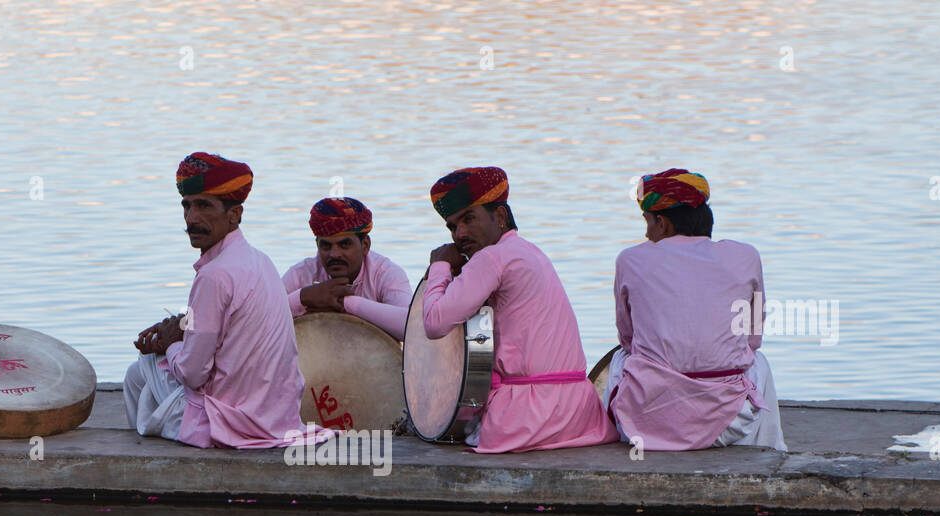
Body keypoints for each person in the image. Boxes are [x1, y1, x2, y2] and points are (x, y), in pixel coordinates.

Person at [421, 166, 619, 453]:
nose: (459, 234)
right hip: (578, 415)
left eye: (468, 219)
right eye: (452, 226)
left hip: (525, 421)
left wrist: (439, 265)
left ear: (499, 216)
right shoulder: (530, 252)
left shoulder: (491, 258)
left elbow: (433, 323)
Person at [123, 152, 314, 449]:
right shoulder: (260, 260)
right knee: (154, 371)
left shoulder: (214, 275)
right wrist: (180, 327)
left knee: (141, 368)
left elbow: (193, 374)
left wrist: (170, 343)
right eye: (186, 206)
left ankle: (156, 458)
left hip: (233, 422)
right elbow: (229, 325)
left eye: (204, 206)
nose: (192, 218)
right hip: (279, 419)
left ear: (234, 214)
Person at [604, 168, 787, 451]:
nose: (646, 232)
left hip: (646, 424)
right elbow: (753, 339)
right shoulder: (746, 255)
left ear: (662, 223)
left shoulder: (631, 259)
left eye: (647, 222)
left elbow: (627, 339)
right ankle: (768, 453)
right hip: (730, 422)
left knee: (620, 359)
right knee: (758, 361)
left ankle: (614, 442)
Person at [280, 197, 412, 341]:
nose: (334, 254)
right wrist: (303, 297)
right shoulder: (300, 274)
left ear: (365, 245)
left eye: (345, 244)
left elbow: (410, 329)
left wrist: (346, 303)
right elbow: (262, 321)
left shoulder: (386, 273)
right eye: (326, 246)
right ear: (317, 245)